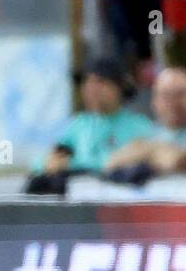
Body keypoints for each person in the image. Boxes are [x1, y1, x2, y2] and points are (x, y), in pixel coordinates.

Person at [32, 57, 157, 188]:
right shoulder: (79, 125)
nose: (91, 89)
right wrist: (48, 163)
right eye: (87, 82)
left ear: (119, 87)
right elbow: (45, 160)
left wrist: (72, 164)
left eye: (100, 82)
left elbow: (119, 165)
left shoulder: (139, 126)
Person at [105, 65, 186, 179]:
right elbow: (112, 163)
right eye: (166, 95)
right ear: (155, 101)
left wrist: (143, 151)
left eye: (180, 94)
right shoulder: (149, 130)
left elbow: (181, 163)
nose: (173, 102)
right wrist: (158, 153)